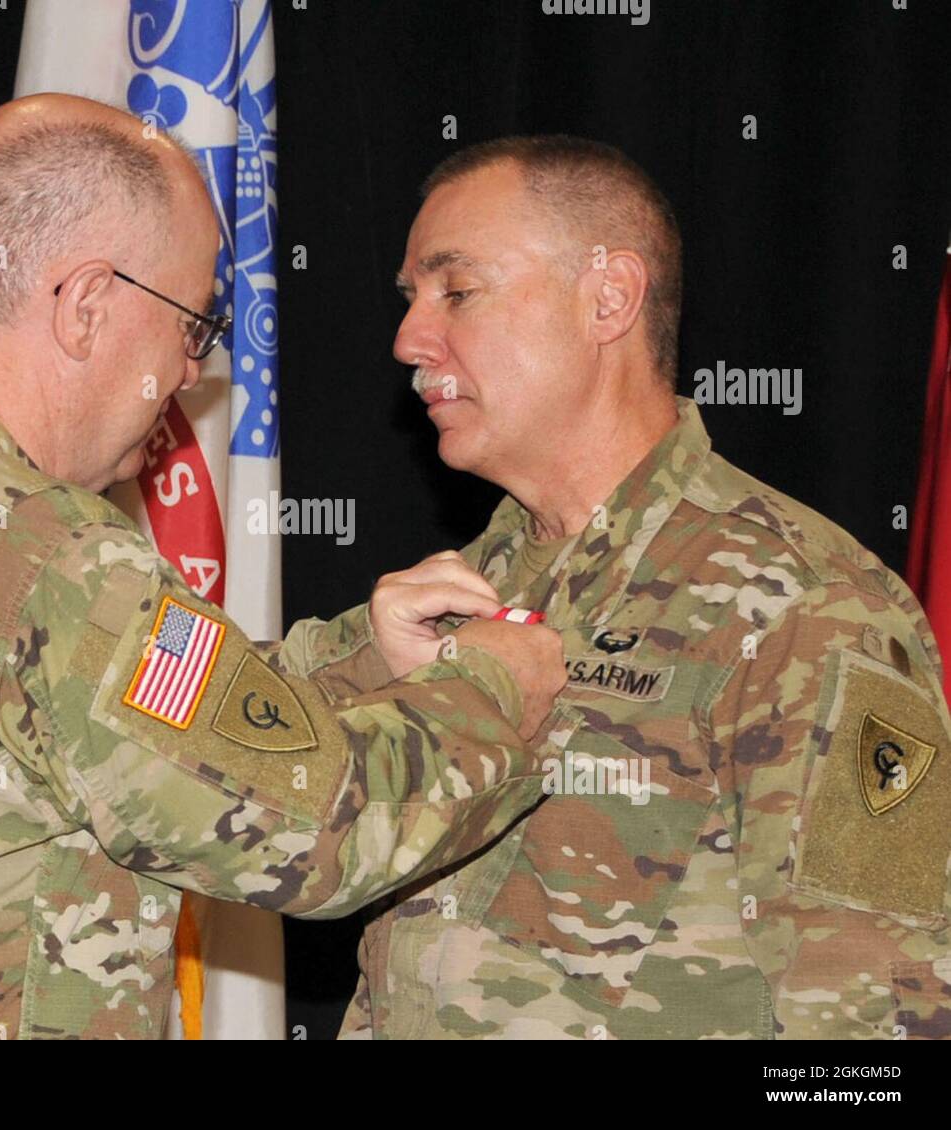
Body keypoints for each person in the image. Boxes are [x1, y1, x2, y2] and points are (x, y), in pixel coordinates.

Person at [0, 97, 568, 1040]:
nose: (187, 374)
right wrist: (498, 688)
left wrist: (362, 659)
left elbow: (98, 722)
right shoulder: (38, 555)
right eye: (193, 326)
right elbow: (324, 830)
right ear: (88, 307)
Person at [326, 135, 951, 1039]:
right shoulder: (459, 593)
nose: (410, 339)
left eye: (456, 290)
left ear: (609, 298)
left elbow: (879, 1042)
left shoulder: (804, 603)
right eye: (411, 298)